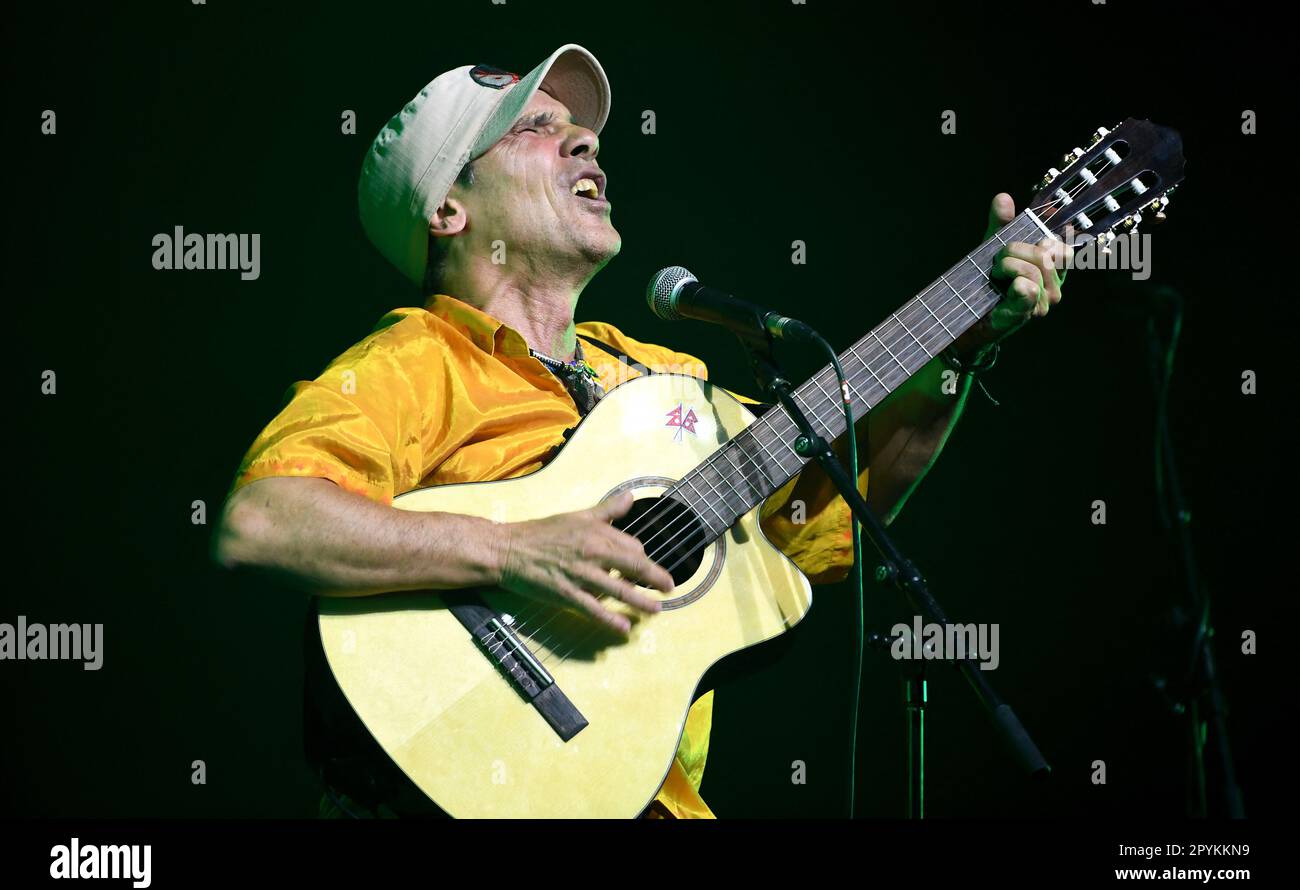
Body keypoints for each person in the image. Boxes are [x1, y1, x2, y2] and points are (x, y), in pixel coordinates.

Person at [213, 44, 1065, 819]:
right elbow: (263, 521)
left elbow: (823, 532)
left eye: (583, 132)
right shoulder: (414, 360)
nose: (586, 145)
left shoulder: (665, 382)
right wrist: (518, 552)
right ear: (447, 210)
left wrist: (961, 346)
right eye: (540, 130)